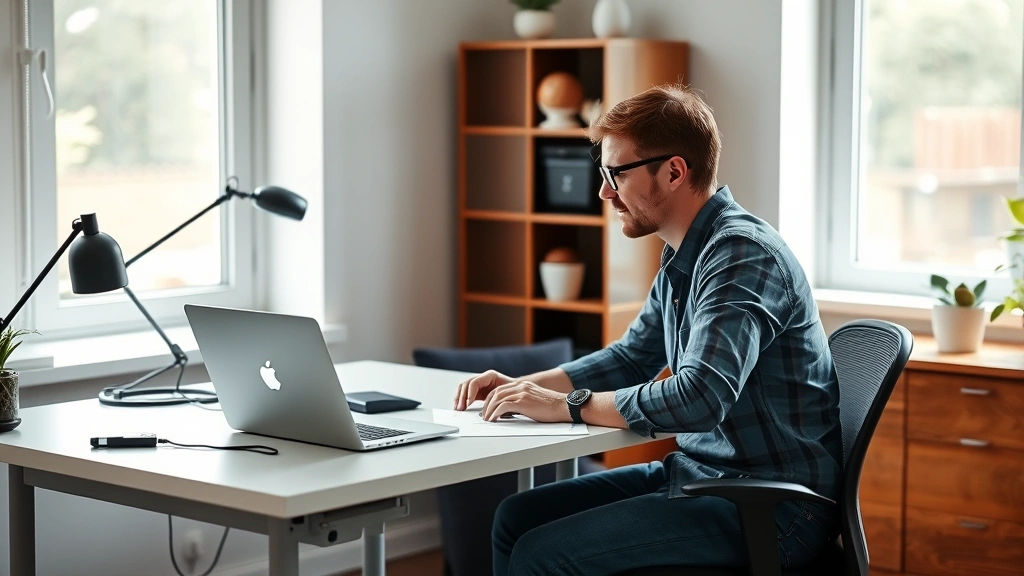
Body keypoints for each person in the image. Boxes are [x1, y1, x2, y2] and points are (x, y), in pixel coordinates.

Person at [452, 83, 843, 575]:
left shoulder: (741, 254)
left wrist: (568, 407)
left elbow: (701, 397)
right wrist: (526, 388)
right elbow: (632, 356)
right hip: (705, 477)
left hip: (773, 508)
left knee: (542, 553)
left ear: (675, 171)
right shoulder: (687, 253)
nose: (604, 192)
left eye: (616, 173)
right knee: (516, 517)